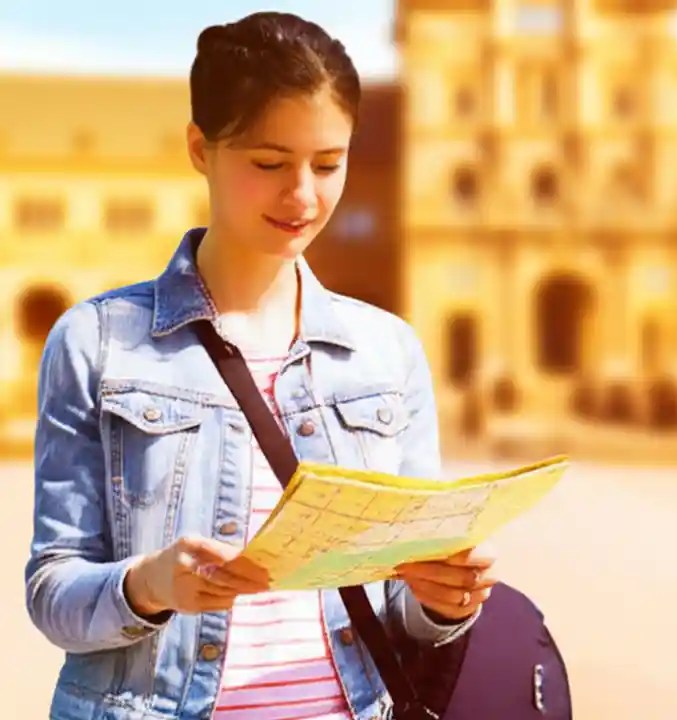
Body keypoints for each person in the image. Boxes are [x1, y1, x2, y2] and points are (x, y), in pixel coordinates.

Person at [24, 11, 495, 719]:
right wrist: (149, 586)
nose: (303, 196)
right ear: (199, 148)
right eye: (270, 164)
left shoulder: (387, 351)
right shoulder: (98, 342)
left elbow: (402, 610)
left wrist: (443, 601)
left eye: (329, 165)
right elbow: (53, 592)